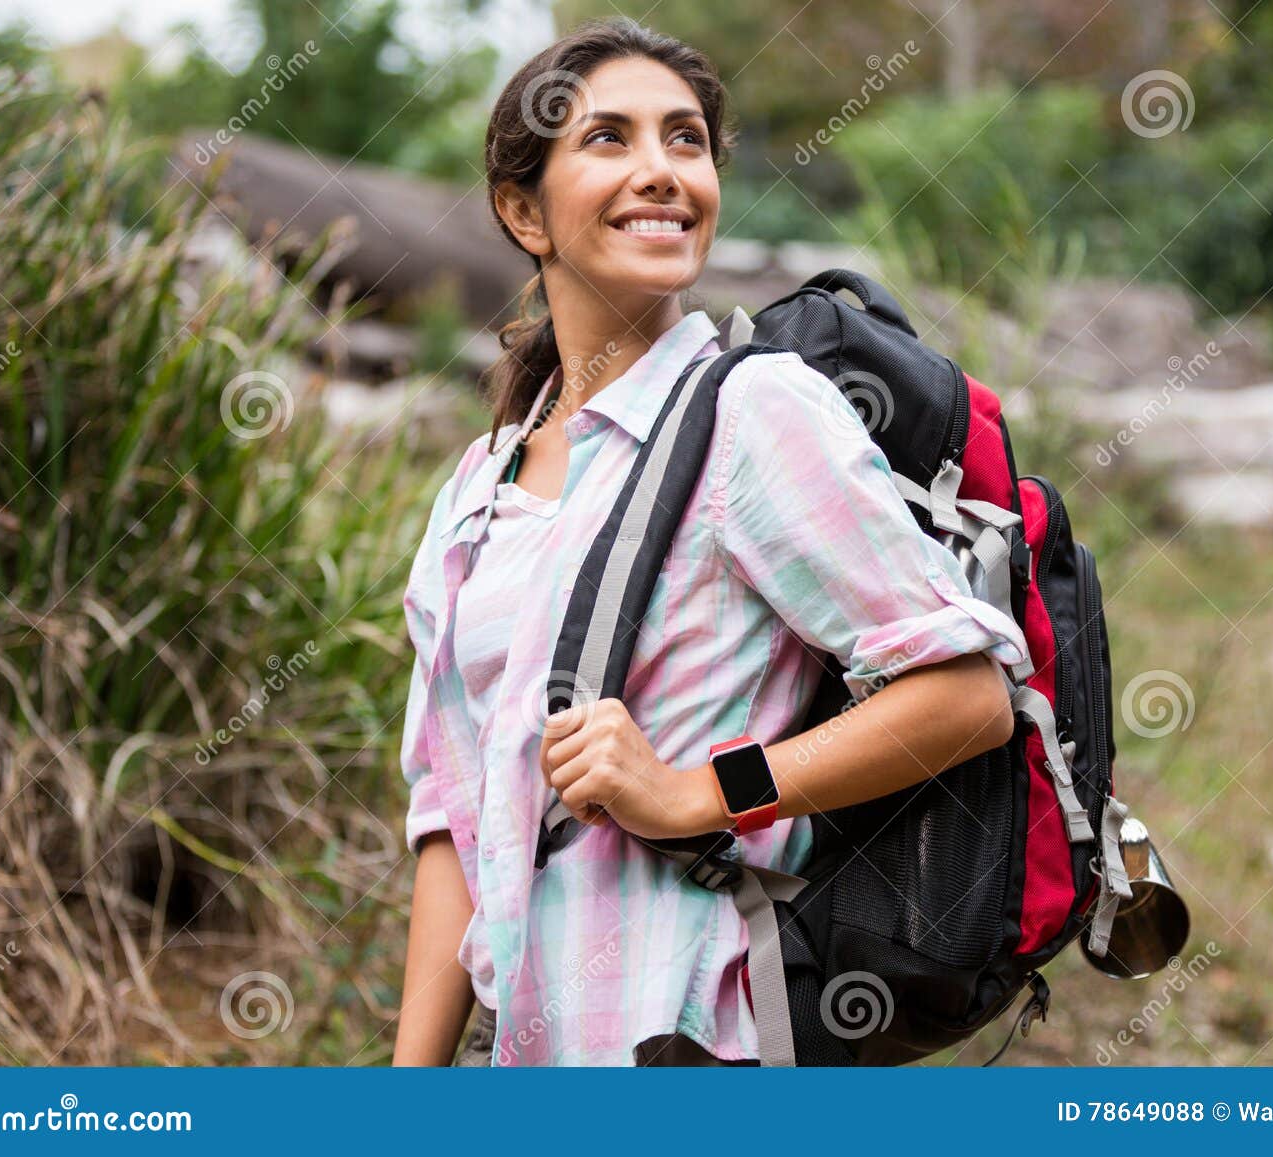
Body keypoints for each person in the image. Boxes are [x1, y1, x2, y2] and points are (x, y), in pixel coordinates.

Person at [390, 16, 1029, 1068]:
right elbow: (451, 821)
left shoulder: (754, 412)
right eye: (610, 140)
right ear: (522, 210)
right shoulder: (475, 492)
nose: (661, 172)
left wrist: (699, 790)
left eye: (684, 140)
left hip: (687, 1034)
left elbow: (964, 697)